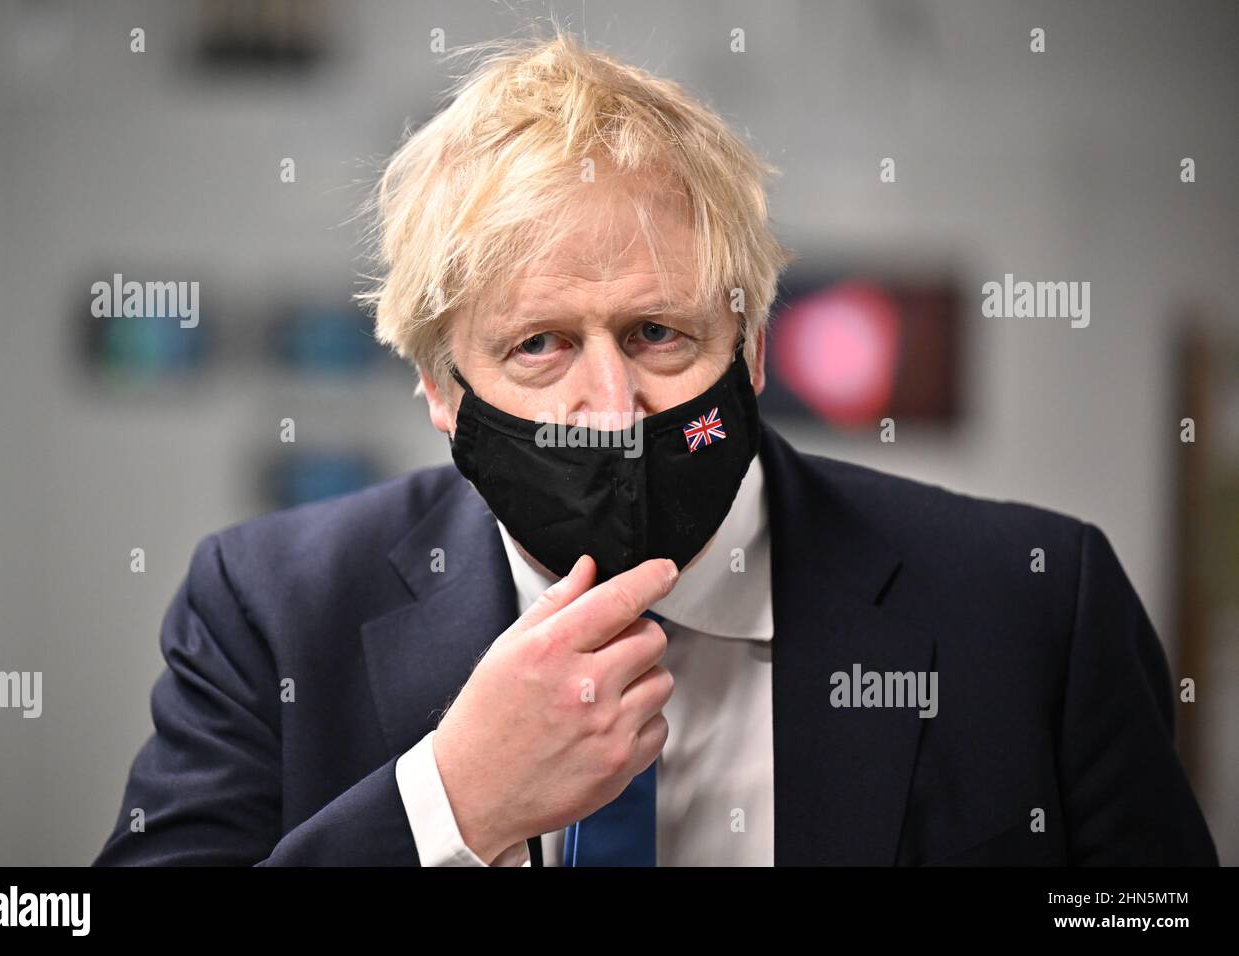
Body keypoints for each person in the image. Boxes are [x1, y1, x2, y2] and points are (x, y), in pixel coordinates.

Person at [94, 29, 1217, 867]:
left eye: (658, 332)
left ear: (754, 347)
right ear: (442, 389)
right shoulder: (267, 608)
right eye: (537, 343)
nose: (610, 402)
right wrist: (450, 799)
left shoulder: (1030, 606)